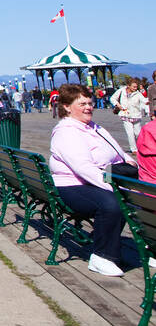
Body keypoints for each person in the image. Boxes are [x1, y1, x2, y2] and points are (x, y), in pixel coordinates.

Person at [49, 83, 135, 276]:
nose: (88, 107)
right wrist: (111, 187)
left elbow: (118, 151)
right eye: (82, 104)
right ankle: (102, 256)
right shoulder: (67, 132)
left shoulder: (94, 127)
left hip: (101, 176)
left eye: (90, 102)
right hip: (73, 185)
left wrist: (129, 161)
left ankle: (146, 248)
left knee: (138, 197)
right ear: (66, 107)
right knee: (111, 203)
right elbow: (84, 168)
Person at [111, 79, 150, 152]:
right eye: (133, 87)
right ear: (128, 86)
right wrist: (118, 105)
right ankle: (134, 149)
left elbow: (144, 100)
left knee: (138, 133)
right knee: (130, 134)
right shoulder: (121, 91)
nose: (135, 88)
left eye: (136, 87)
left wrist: (149, 101)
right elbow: (112, 98)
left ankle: (140, 147)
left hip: (136, 115)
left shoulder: (138, 93)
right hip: (125, 114)